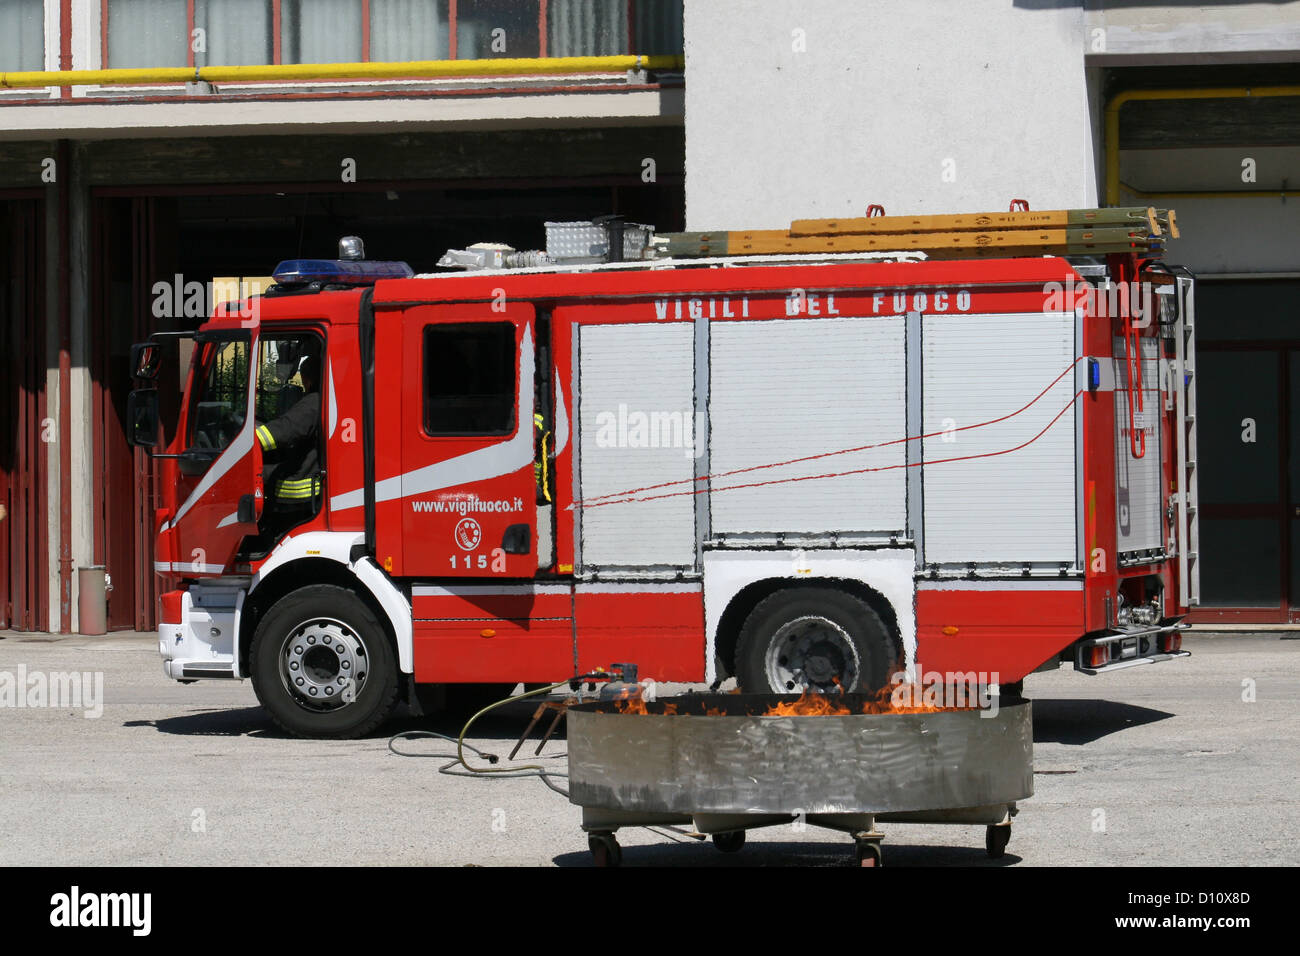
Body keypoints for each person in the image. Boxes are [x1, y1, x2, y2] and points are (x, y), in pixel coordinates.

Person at [255, 353, 322, 535]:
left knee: (257, 476)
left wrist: (246, 441)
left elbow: (284, 431)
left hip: (298, 493)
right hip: (308, 485)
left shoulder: (314, 402)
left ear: (308, 379)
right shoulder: (320, 400)